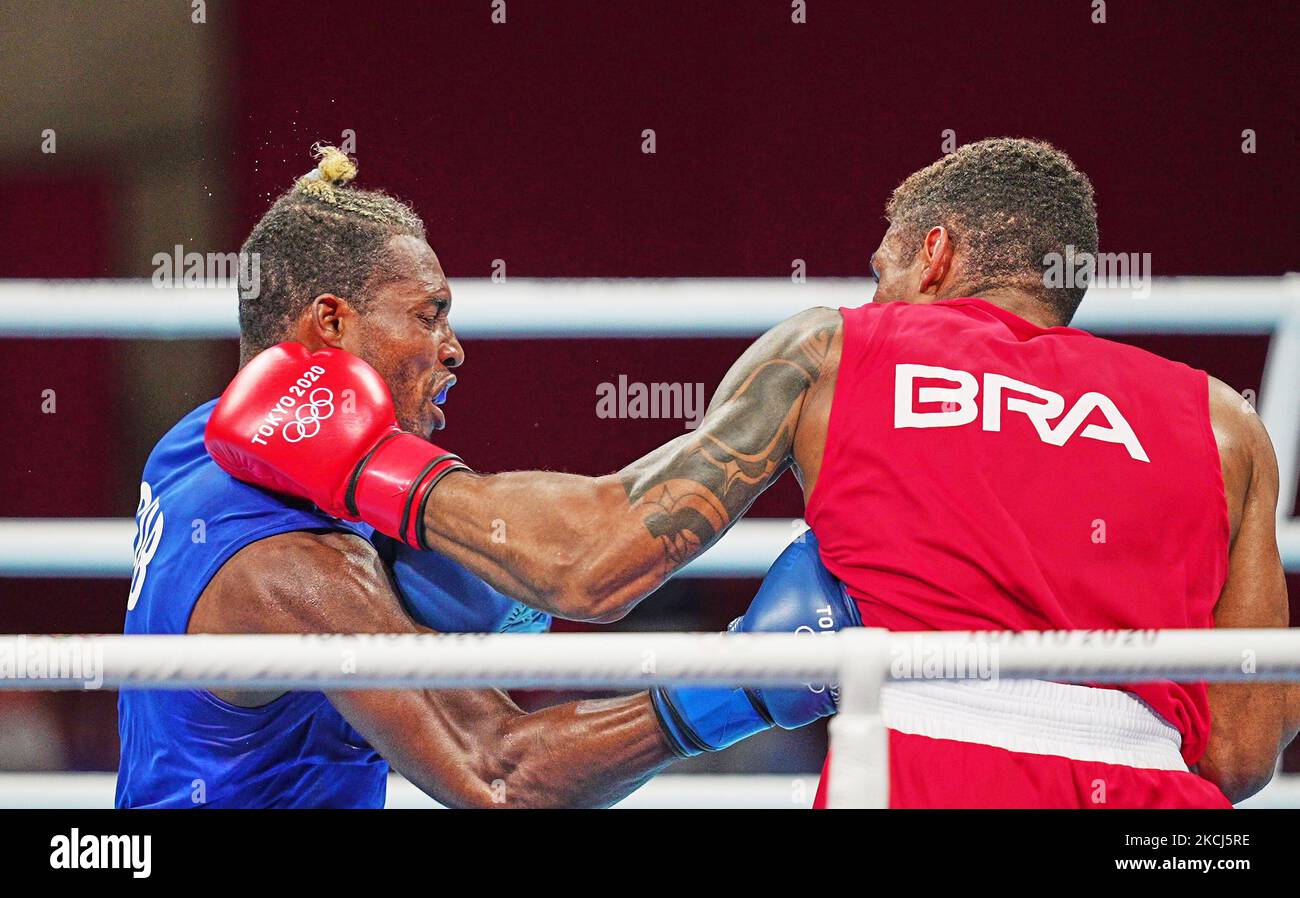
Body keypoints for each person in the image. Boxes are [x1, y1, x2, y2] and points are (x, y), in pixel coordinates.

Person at [210, 138, 1297, 807]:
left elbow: (594, 566)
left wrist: (367, 469)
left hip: (923, 760)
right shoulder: (1221, 423)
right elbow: (1247, 748)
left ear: (932, 255)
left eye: (882, 265)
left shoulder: (839, 349)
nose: (873, 291)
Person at [116, 147, 856, 808]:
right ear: (331, 325)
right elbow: (501, 776)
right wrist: (745, 687)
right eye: (428, 315)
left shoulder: (196, 442)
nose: (453, 349)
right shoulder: (293, 569)